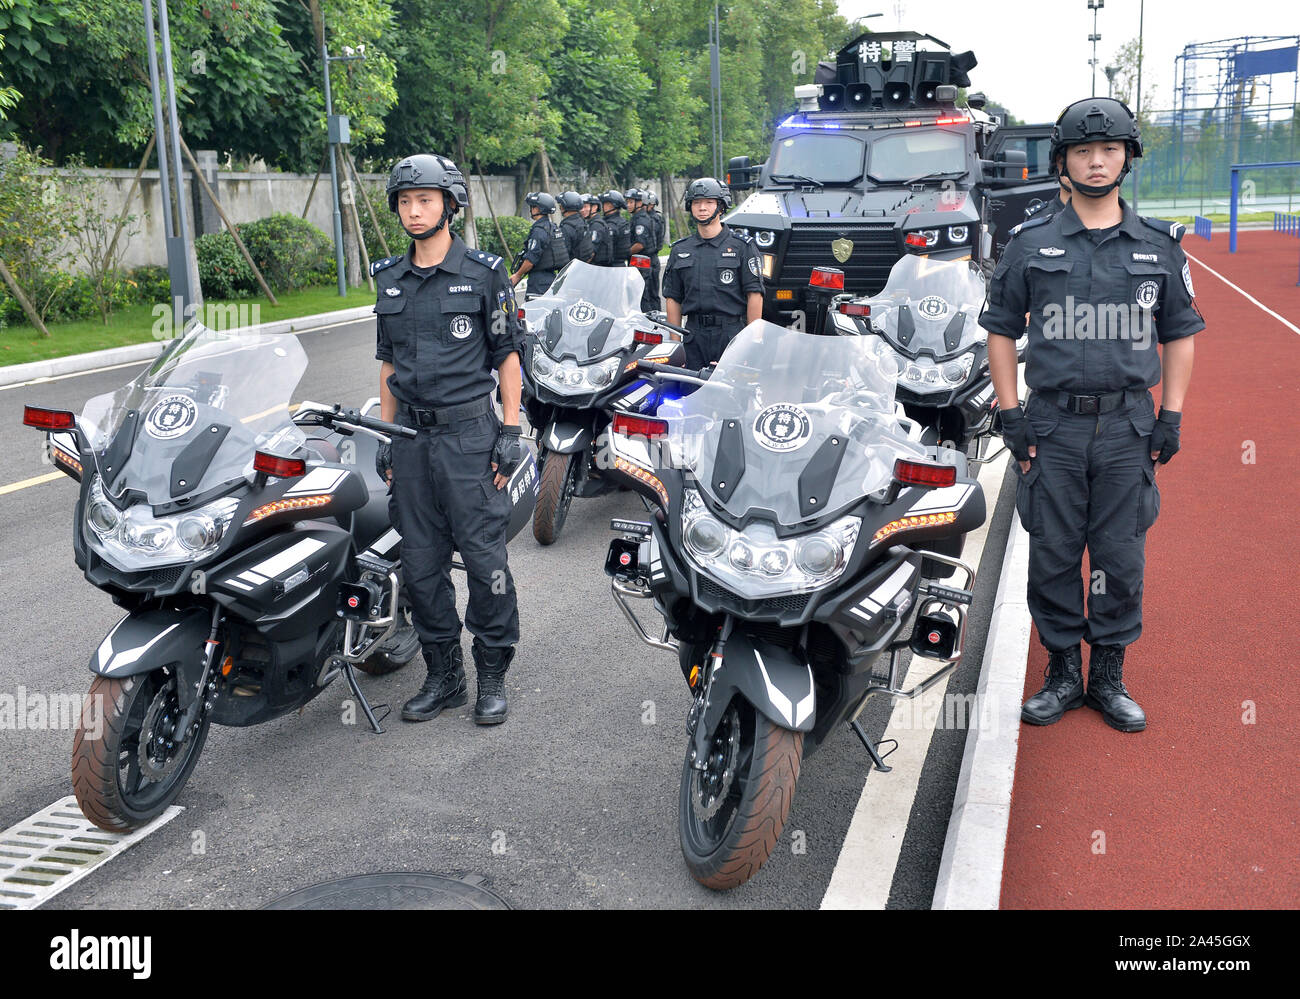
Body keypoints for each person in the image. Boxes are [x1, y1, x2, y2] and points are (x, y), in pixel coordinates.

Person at [980, 98, 1202, 733]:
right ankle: (1061, 673)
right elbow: (999, 331)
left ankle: (1107, 674)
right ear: (1064, 162)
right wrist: (1010, 413)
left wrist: (1173, 416)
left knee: (1117, 556)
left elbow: (1179, 333)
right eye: (1083, 151)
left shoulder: (1159, 246)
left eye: (1109, 150)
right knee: (1052, 553)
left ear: (1127, 158)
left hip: (1128, 427)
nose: (1097, 161)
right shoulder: (1030, 245)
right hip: (1052, 426)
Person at [371, 153, 527, 726]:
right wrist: (387, 435)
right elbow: (387, 364)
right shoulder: (388, 279)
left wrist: (511, 429)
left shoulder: (484, 273)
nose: (414, 212)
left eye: (426, 201)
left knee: (486, 561)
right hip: (410, 440)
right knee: (420, 564)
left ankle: (491, 673)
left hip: (469, 437)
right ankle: (444, 676)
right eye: (406, 202)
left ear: (450, 206)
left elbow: (507, 355)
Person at [662, 177, 763, 369]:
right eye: (697, 203)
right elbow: (673, 299)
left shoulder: (742, 247)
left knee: (731, 394)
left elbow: (754, 295)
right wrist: (675, 346)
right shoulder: (680, 250)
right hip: (693, 335)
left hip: (731, 335)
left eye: (709, 202)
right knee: (687, 393)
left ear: (721, 206)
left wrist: (752, 343)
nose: (702, 208)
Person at [510, 192, 569, 299]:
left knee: (533, 313)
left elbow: (530, 260)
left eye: (533, 206)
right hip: (552, 279)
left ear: (539, 209)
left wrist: (517, 275)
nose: (531, 209)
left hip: (538, 283)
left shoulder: (539, 231)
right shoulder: (553, 227)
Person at [629, 188, 662, 313]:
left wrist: (624, 252)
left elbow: (641, 244)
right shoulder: (646, 218)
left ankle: (655, 323)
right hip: (647, 259)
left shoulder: (645, 220)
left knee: (647, 296)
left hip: (646, 259)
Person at [593, 189, 629, 266]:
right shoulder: (623, 222)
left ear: (611, 205)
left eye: (604, 203)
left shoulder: (611, 225)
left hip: (609, 268)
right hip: (620, 265)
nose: (602, 206)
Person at [557, 190, 592, 263]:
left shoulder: (566, 227)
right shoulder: (583, 222)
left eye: (561, 205)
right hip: (584, 267)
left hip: (570, 270)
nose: (560, 207)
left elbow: (562, 255)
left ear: (564, 207)